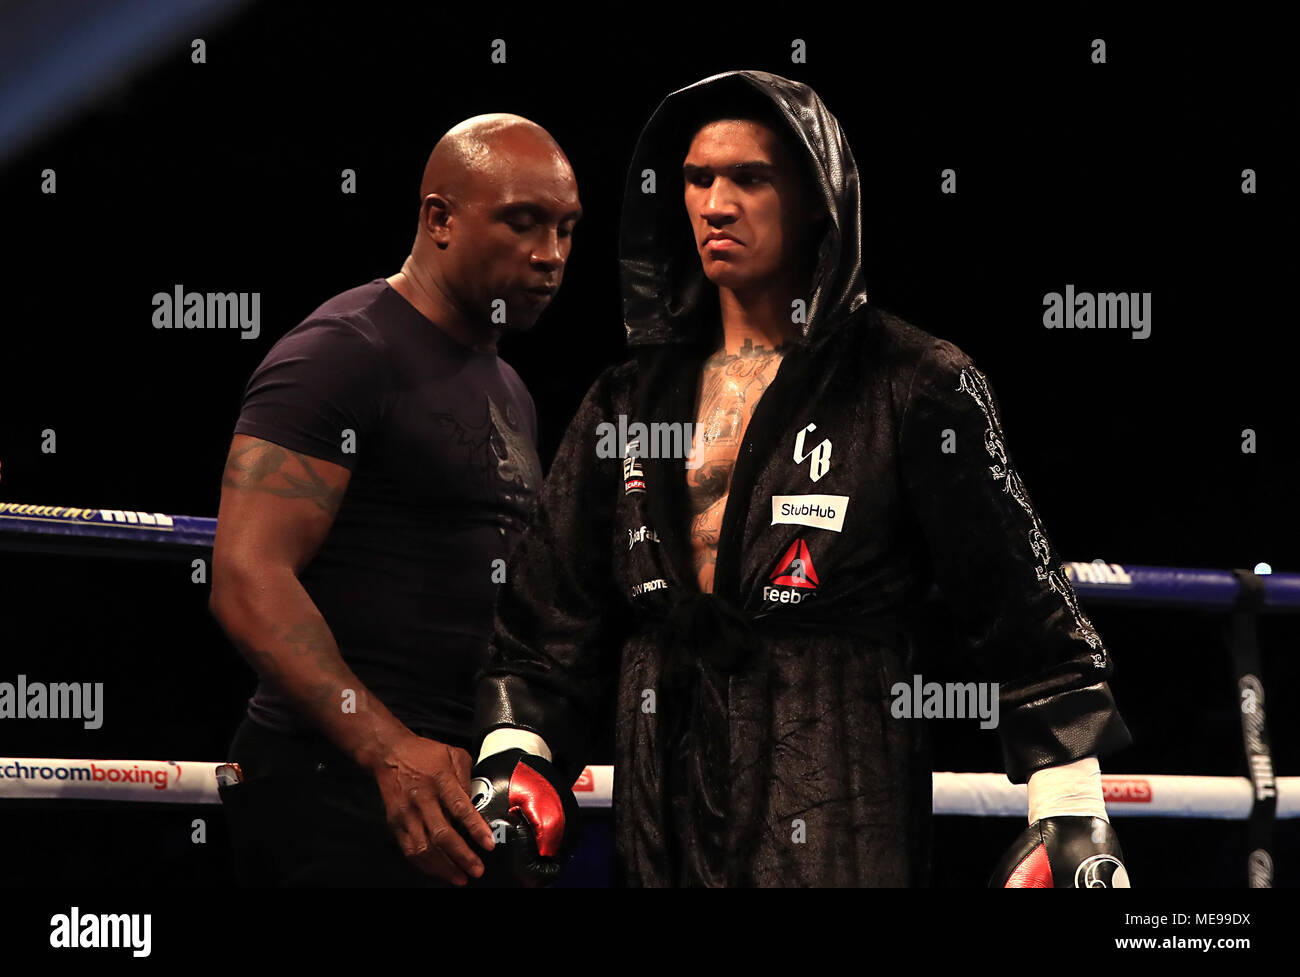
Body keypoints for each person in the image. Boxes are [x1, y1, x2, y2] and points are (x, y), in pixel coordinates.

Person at [467, 71, 1133, 887]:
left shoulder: (912, 382)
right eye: (697, 179)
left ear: (818, 199)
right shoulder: (627, 398)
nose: (715, 203)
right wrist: (514, 753)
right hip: (661, 769)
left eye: (749, 177)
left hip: (833, 762)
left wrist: (1071, 808)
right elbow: (547, 614)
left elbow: (1019, 606)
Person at [208, 113, 582, 886]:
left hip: (451, 787)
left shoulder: (510, 387)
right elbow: (247, 578)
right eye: (523, 222)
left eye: (566, 229)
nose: (550, 255)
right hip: (332, 783)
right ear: (438, 218)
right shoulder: (342, 351)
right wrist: (385, 748)